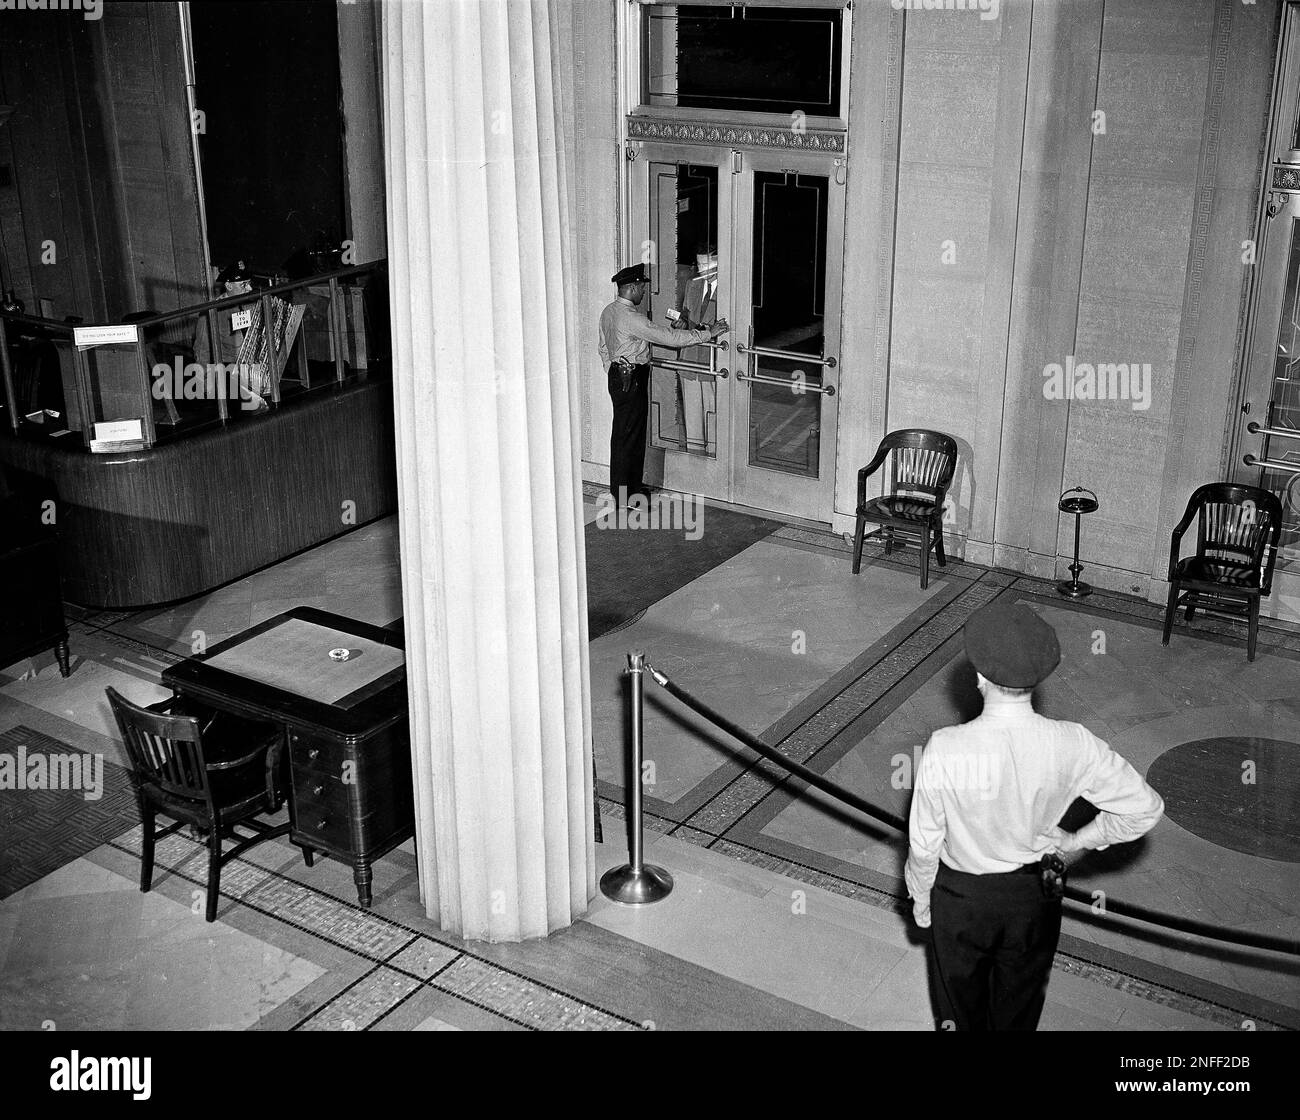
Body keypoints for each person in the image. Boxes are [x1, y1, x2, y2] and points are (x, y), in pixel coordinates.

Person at [904, 600, 1164, 1031]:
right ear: (1039, 676)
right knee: (1018, 1013)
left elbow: (924, 843)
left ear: (980, 676)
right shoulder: (1073, 743)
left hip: (961, 900)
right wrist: (1080, 840)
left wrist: (922, 900)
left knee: (959, 1014)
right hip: (1033, 898)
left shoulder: (946, 747)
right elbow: (1145, 808)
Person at [597, 263, 728, 508]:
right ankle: (629, 495)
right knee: (632, 436)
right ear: (632, 287)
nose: (644, 292)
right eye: (642, 288)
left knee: (622, 435)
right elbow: (669, 338)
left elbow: (603, 347)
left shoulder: (609, 311)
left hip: (618, 376)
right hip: (631, 379)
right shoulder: (631, 318)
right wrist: (708, 333)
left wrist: (614, 368)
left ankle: (625, 489)